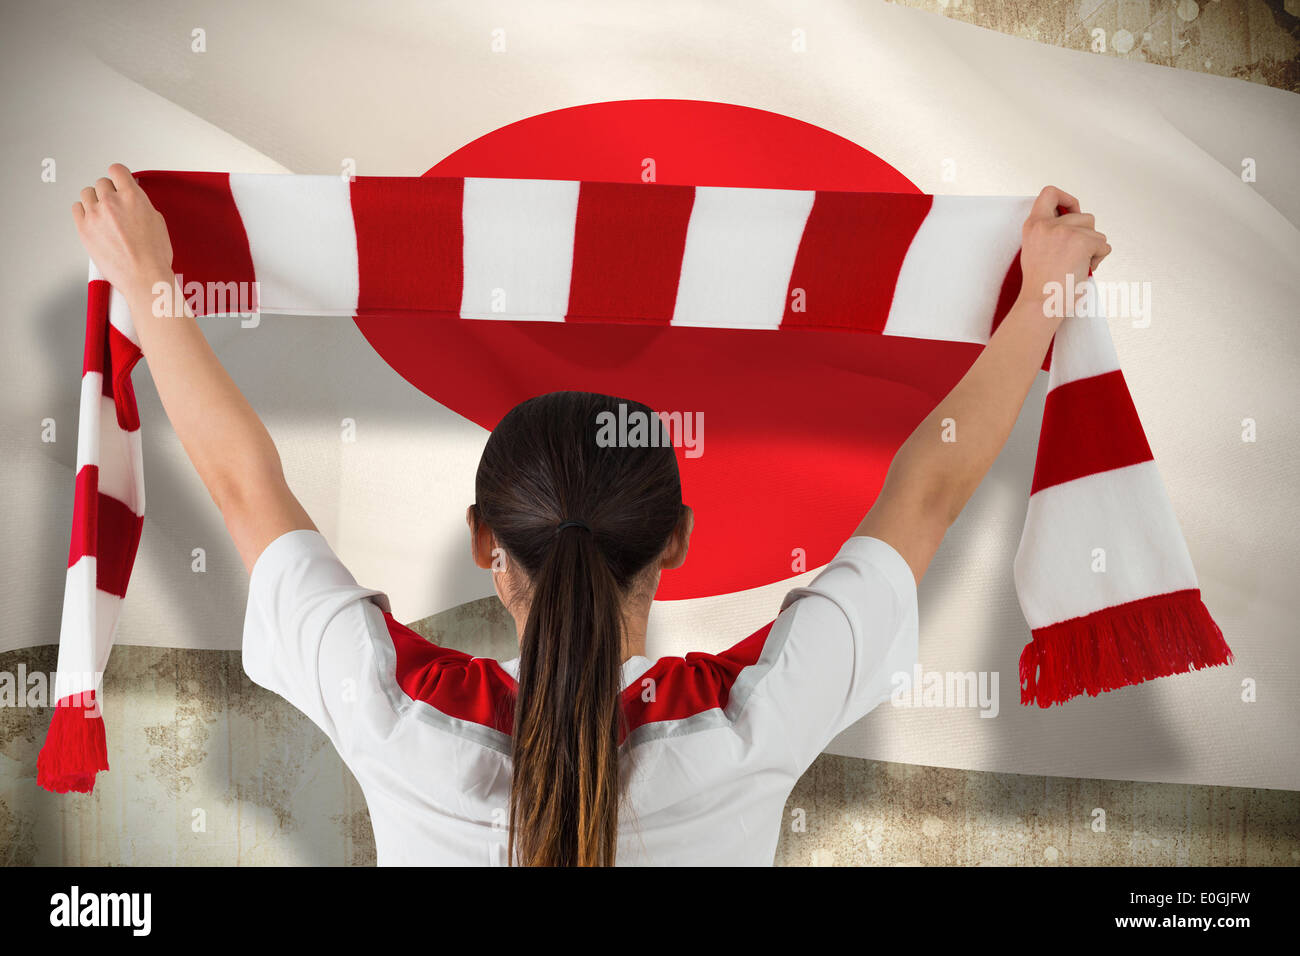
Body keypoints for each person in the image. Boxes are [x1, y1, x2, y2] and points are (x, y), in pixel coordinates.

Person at [72, 164, 1109, 866]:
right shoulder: (748, 716)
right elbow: (925, 490)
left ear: (485, 541)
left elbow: (247, 485)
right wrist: (1040, 298)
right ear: (678, 538)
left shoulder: (398, 712)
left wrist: (149, 280)